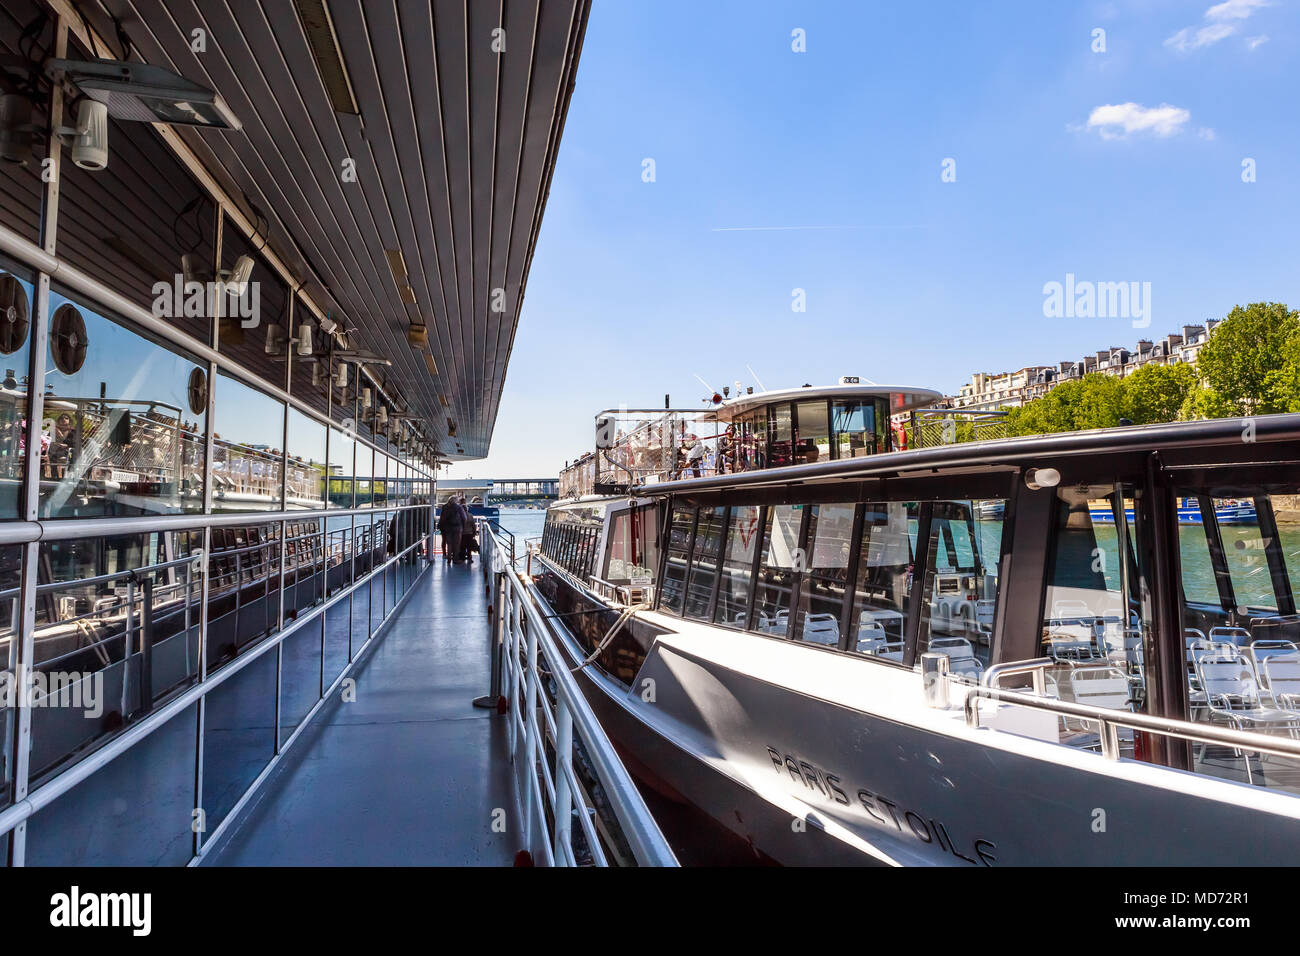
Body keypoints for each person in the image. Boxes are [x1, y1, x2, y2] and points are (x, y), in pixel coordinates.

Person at [438, 496, 463, 562]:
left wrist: (441, 526)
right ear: (455, 500)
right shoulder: (458, 507)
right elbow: (464, 517)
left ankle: (448, 558)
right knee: (456, 544)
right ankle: (455, 559)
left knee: (449, 543)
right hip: (456, 528)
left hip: (447, 528)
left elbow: (442, 517)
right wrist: (462, 525)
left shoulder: (445, 507)